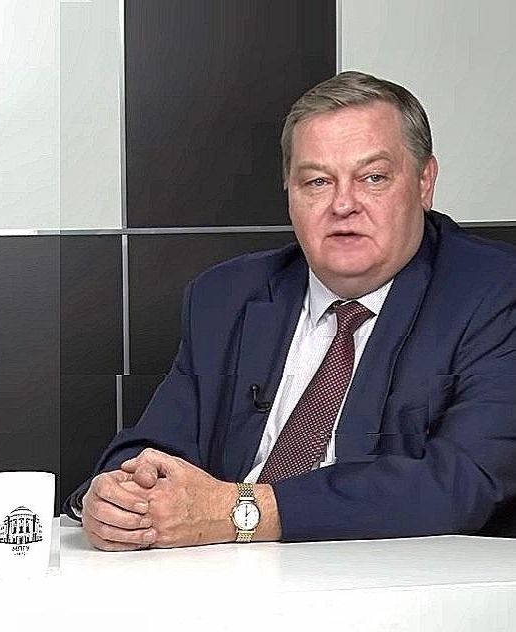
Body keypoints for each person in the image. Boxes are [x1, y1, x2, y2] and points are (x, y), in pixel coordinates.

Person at [69, 71, 516, 550]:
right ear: (289, 191)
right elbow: (155, 448)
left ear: (424, 182)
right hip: (220, 577)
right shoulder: (226, 296)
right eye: (317, 181)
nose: (343, 204)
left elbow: (465, 481)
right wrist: (119, 497)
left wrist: (240, 512)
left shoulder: (493, 291)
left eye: (373, 178)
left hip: (401, 580)